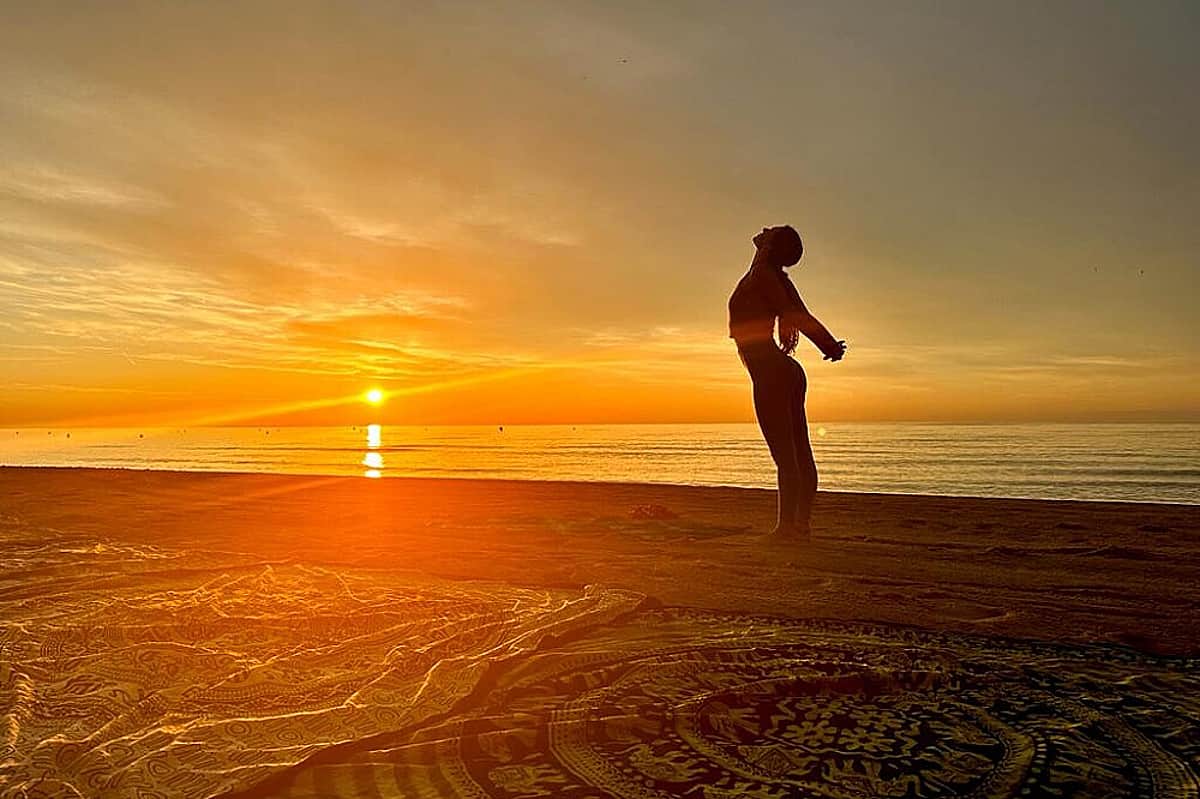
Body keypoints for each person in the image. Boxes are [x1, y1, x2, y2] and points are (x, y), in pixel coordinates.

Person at [728, 225, 846, 538]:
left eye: (770, 231)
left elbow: (796, 316)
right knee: (799, 452)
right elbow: (800, 314)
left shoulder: (764, 277)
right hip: (786, 372)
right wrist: (830, 346)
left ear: (772, 246)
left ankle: (787, 528)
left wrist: (829, 346)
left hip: (771, 373)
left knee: (787, 456)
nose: (763, 229)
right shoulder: (771, 277)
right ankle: (800, 525)